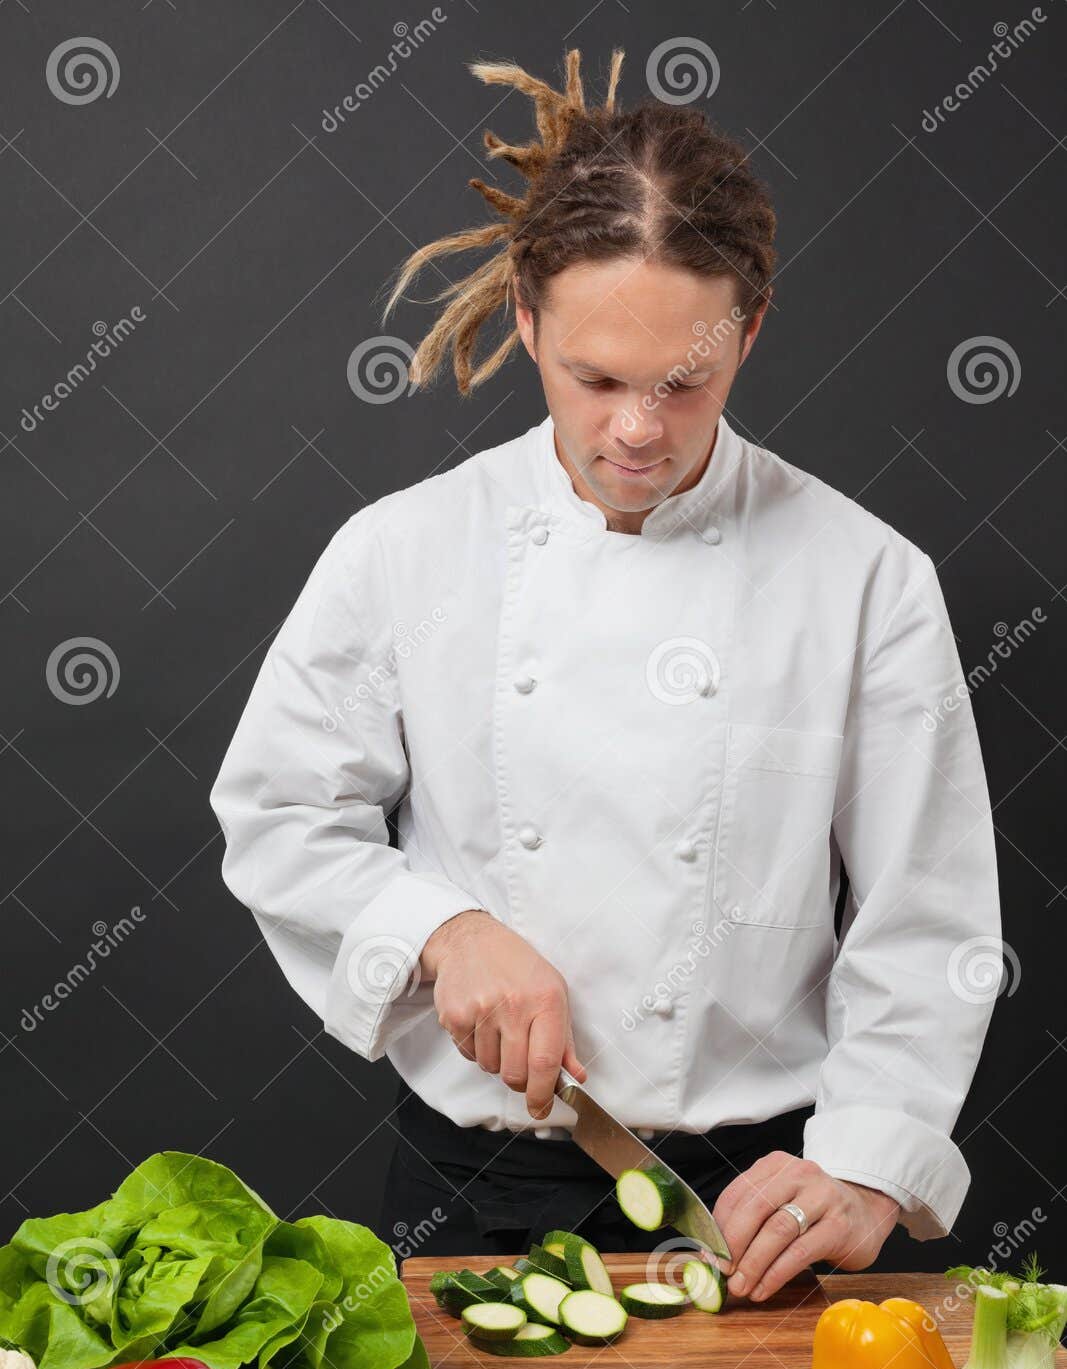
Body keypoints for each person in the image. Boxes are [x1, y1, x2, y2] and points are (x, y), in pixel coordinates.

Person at [209, 47, 1001, 1302]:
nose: (636, 429)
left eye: (682, 382)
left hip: (757, 1200)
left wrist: (864, 1164)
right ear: (525, 318)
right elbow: (277, 815)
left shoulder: (867, 580)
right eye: (595, 378)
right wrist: (441, 928)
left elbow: (929, 922)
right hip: (474, 1194)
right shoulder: (404, 551)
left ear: (750, 328)